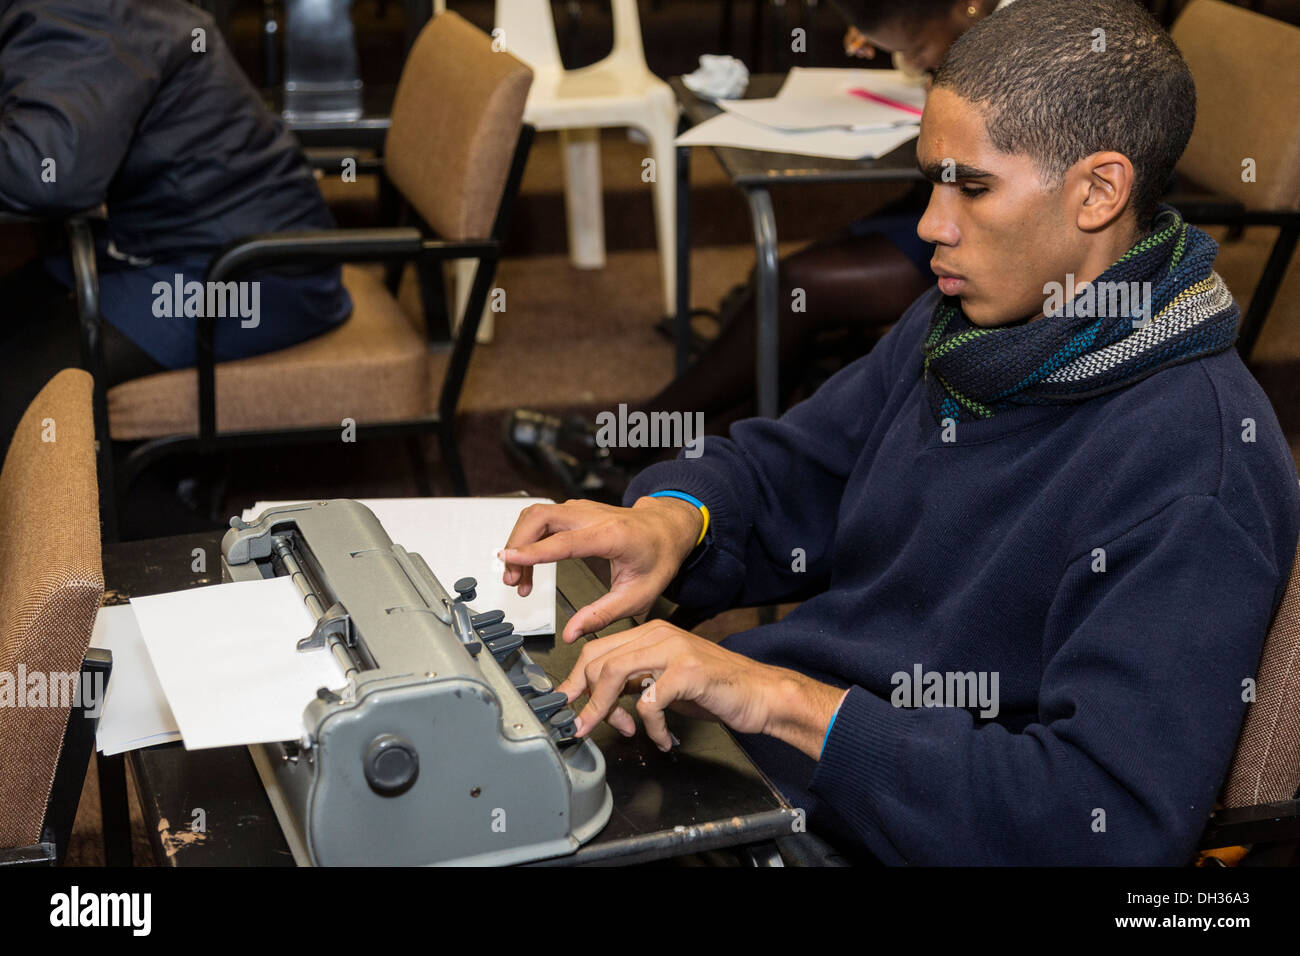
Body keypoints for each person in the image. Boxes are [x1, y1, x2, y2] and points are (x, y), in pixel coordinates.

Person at [498, 0, 1300, 864]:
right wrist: (674, 520)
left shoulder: (1195, 466)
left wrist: (776, 700)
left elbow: (1095, 821)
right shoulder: (970, 323)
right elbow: (795, 471)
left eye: (973, 186)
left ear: (1099, 191)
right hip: (778, 763)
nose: (930, 226)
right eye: (931, 180)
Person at [504, 0, 1016, 500]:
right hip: (939, 202)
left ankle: (623, 448)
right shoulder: (963, 20)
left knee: (797, 286)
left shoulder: (1032, 40)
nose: (912, 64)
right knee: (783, 297)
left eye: (917, 49)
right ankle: (646, 459)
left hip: (1002, 237)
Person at [0, 0, 351, 448]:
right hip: (162, 238)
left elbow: (47, 170)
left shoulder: (78, 10)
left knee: (20, 398)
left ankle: (154, 515)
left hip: (252, 274)